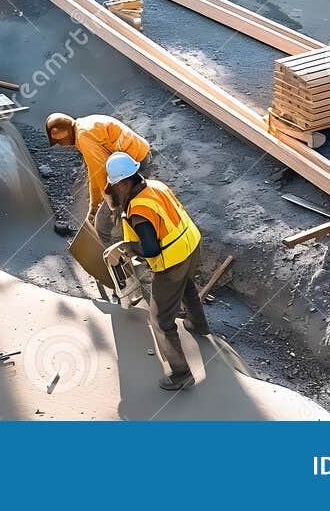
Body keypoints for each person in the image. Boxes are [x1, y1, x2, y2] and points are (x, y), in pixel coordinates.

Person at [103, 152, 210, 391]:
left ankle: (181, 374)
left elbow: (151, 249)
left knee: (161, 321)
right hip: (191, 245)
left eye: (115, 186)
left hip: (172, 263)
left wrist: (129, 248)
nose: (114, 190)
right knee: (187, 286)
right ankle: (199, 325)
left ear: (123, 183)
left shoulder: (139, 211)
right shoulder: (156, 186)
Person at [44, 112, 153, 243]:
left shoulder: (83, 137)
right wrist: (94, 205)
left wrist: (109, 200)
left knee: (103, 221)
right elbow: (94, 172)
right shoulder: (82, 126)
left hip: (133, 165)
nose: (61, 145)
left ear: (64, 134)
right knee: (118, 206)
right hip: (137, 156)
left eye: (59, 141)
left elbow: (102, 172)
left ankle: (112, 246)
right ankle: (130, 235)